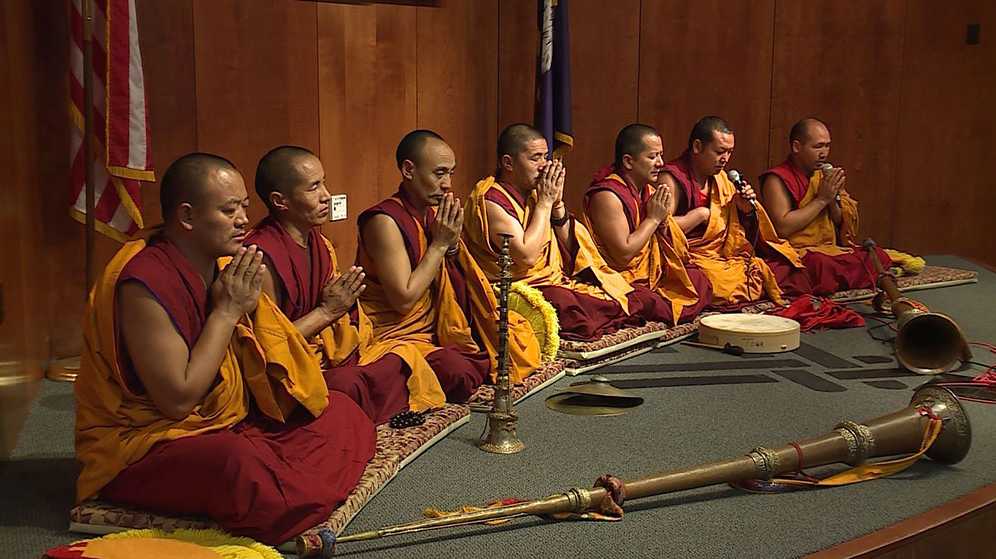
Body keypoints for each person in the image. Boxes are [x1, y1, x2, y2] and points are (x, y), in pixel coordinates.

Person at [74, 153, 375, 545]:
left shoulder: (225, 264)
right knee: (240, 465)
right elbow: (177, 401)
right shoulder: (143, 283)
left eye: (244, 208)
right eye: (229, 210)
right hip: (148, 443)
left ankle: (293, 488)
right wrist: (228, 311)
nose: (243, 221)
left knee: (340, 411)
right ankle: (290, 492)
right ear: (186, 217)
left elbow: (267, 355)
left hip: (224, 420)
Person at [358, 130, 541, 399]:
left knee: (509, 343)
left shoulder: (434, 215)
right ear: (409, 170)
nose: (447, 184)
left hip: (437, 327)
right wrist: (441, 244)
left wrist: (453, 248)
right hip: (393, 334)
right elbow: (404, 300)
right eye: (439, 173)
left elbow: (457, 282)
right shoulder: (384, 221)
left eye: (451, 174)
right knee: (460, 373)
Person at [245, 145, 419, 424]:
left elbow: (343, 323)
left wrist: (342, 312)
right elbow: (267, 349)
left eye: (323, 183)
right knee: (349, 387)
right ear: (281, 201)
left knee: (403, 359)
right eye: (314, 188)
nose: (326, 196)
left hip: (327, 357)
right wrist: (327, 312)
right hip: (290, 375)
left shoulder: (321, 245)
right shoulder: (261, 259)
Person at [462, 124, 679, 341]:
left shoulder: (535, 195)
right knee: (579, 310)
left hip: (553, 280)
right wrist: (546, 203)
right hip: (517, 289)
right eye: (535, 158)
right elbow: (527, 256)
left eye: (545, 157)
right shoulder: (491, 201)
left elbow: (569, 247)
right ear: (508, 162)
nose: (544, 166)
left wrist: (556, 205)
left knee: (632, 297)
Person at [661, 116, 804, 307]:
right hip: (688, 257)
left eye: (729, 152)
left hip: (720, 257)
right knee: (709, 282)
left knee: (768, 269)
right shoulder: (671, 178)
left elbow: (736, 233)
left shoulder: (722, 180)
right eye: (720, 151)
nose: (725, 159)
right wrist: (698, 216)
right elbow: (660, 228)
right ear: (697, 147)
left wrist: (743, 210)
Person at [583, 123, 713, 322]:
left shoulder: (647, 192)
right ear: (628, 161)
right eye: (652, 157)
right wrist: (653, 219)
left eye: (661, 155)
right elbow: (623, 256)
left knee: (699, 279)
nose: (661, 163)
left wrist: (662, 225)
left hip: (649, 276)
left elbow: (671, 244)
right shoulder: (608, 196)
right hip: (618, 277)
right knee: (641, 300)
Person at [759, 118, 891, 294]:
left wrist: (832, 200)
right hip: (797, 253)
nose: (824, 153)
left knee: (877, 257)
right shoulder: (777, 179)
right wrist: (821, 200)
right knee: (821, 266)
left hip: (828, 249)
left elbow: (840, 225)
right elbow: (782, 228)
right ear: (797, 147)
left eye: (827, 146)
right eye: (817, 147)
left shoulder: (824, 176)